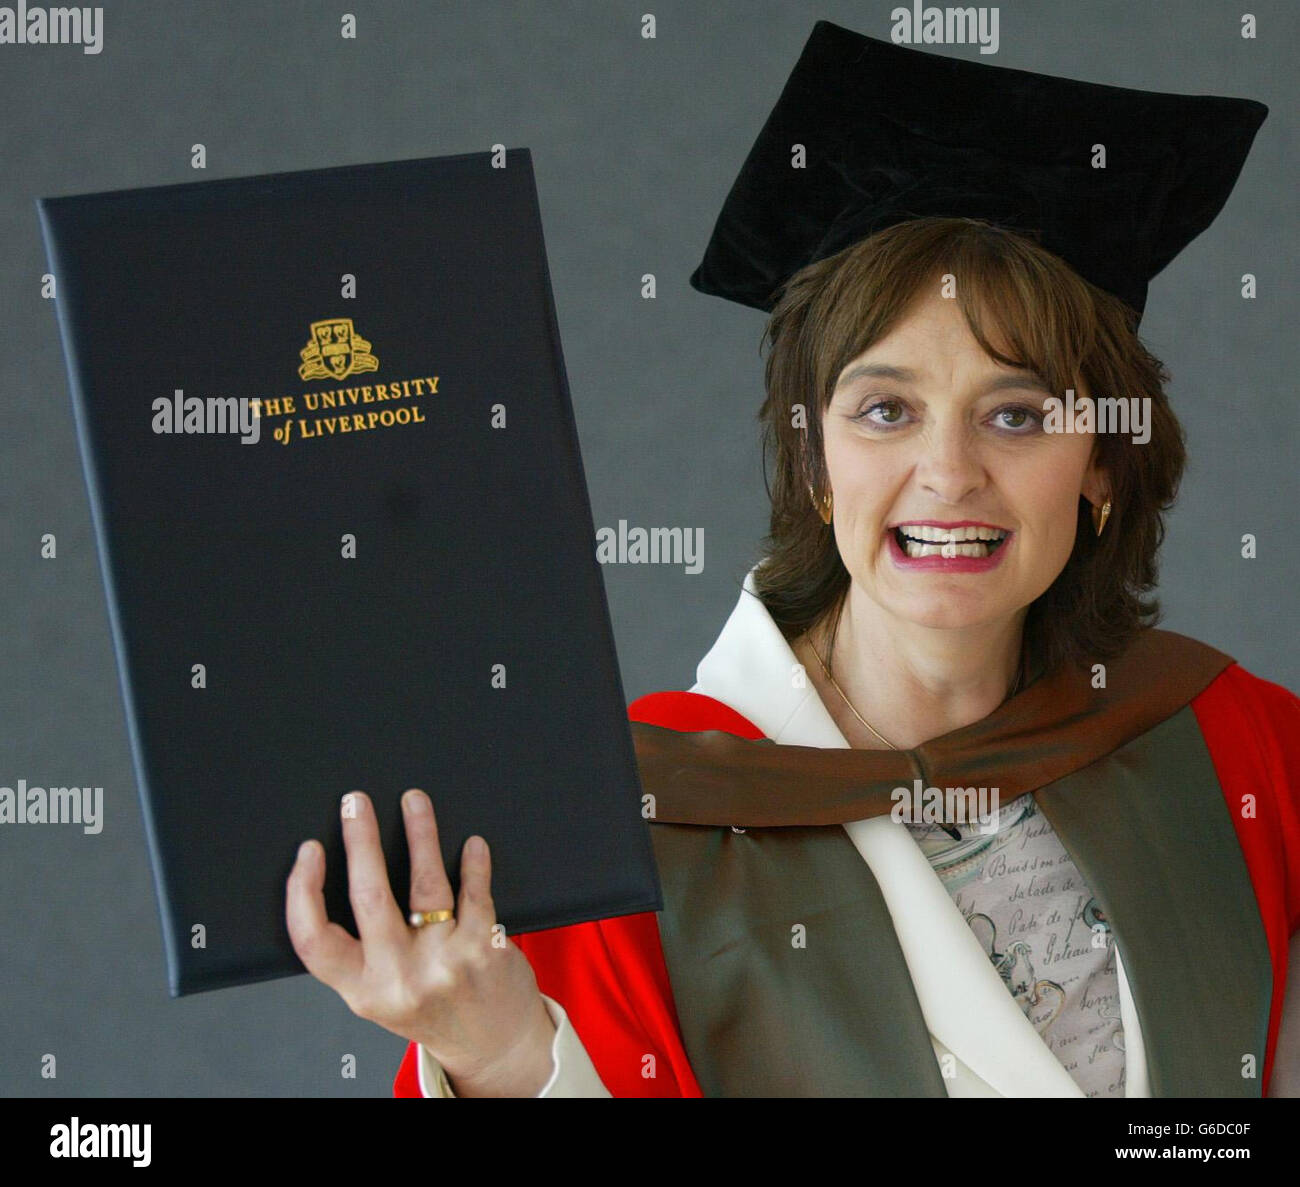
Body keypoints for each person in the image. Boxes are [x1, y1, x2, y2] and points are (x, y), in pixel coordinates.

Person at [285, 24, 1299, 1097]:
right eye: (885, 410)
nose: (947, 473)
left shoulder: (1230, 743)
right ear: (814, 457)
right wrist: (496, 1058)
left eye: (1016, 413)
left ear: (1098, 464)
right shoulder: (635, 827)